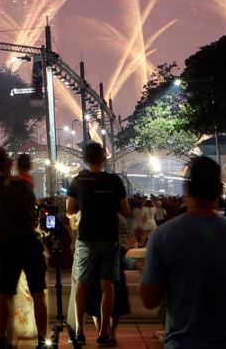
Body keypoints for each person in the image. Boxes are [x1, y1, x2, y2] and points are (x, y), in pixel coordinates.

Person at [140, 156, 226, 349]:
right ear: (219, 190)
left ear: (186, 190)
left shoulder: (163, 237)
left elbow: (150, 299)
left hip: (184, 342)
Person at [0, 146, 46, 349]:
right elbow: (32, 209)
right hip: (28, 243)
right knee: (38, 294)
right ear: (9, 164)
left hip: (6, 246)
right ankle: (43, 340)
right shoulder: (23, 186)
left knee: (5, 295)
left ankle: (2, 339)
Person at [67, 142, 131, 346]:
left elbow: (69, 210)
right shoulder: (114, 181)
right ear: (104, 158)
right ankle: (104, 333)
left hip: (86, 237)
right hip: (109, 237)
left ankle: (79, 331)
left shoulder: (78, 181)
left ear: (85, 159)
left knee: (82, 283)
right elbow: (126, 211)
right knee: (107, 284)